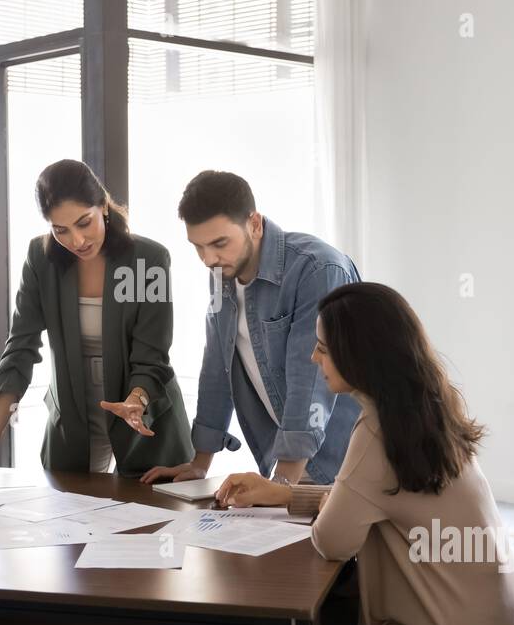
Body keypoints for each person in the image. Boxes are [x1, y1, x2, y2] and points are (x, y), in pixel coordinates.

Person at [0, 158, 194, 625]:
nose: (75, 239)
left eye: (85, 222)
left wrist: (136, 398)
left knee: (137, 567)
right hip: (75, 418)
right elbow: (20, 350)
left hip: (139, 417)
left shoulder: (146, 258)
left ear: (103, 205)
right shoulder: (42, 259)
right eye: (61, 229)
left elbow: (154, 354)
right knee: (62, 566)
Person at [215, 282, 514, 625]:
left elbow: (334, 540)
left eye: (323, 349)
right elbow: (378, 500)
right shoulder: (427, 406)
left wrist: (304, 499)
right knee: (325, 624)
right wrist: (286, 495)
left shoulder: (377, 432)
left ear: (358, 355)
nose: (313, 358)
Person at [142, 170, 361, 489]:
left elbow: (309, 380)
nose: (207, 259)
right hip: (291, 468)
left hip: (347, 465)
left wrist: (283, 483)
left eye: (219, 243)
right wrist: (199, 464)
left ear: (255, 224)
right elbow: (216, 367)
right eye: (198, 247)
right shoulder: (220, 274)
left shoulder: (317, 269)